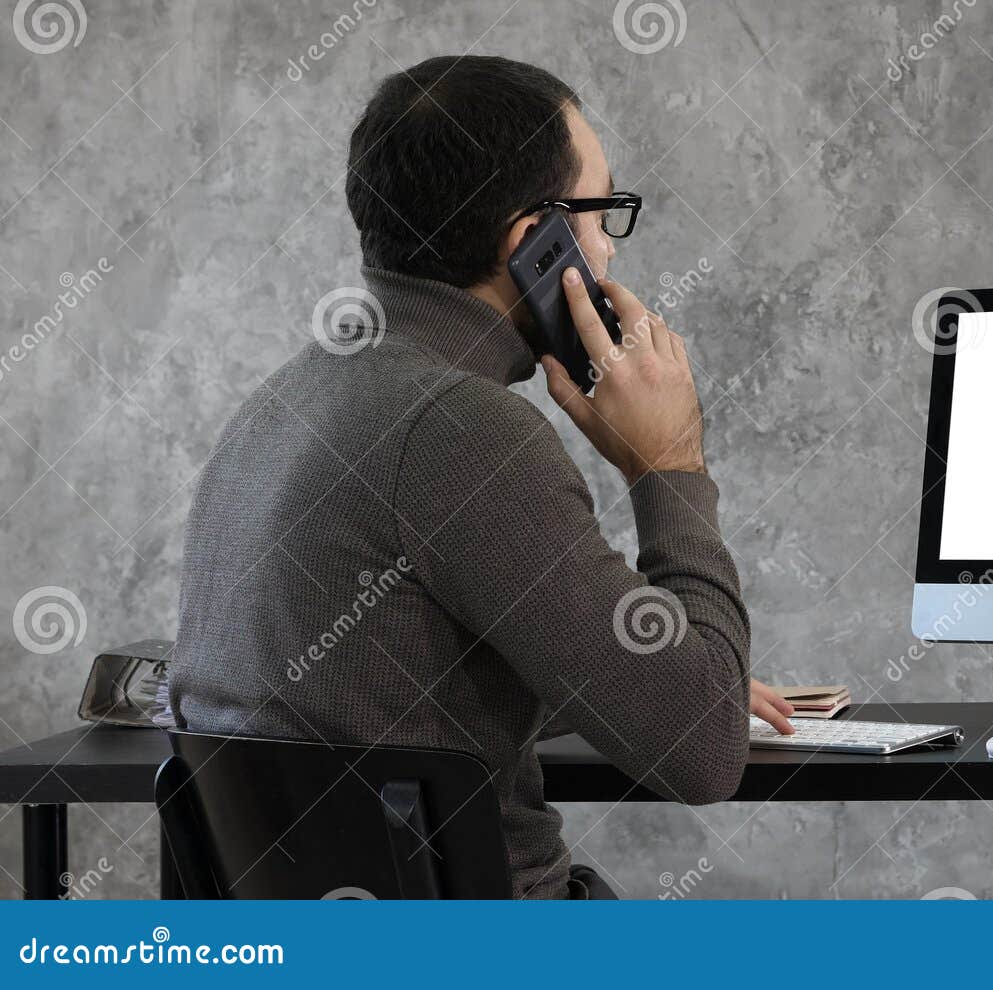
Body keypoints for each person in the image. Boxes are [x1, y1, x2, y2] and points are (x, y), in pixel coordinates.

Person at [167, 54, 795, 899]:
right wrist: (667, 464)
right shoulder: (462, 430)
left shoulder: (285, 402)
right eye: (601, 217)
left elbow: (365, 683)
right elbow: (704, 755)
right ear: (533, 241)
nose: (608, 253)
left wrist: (641, 673)